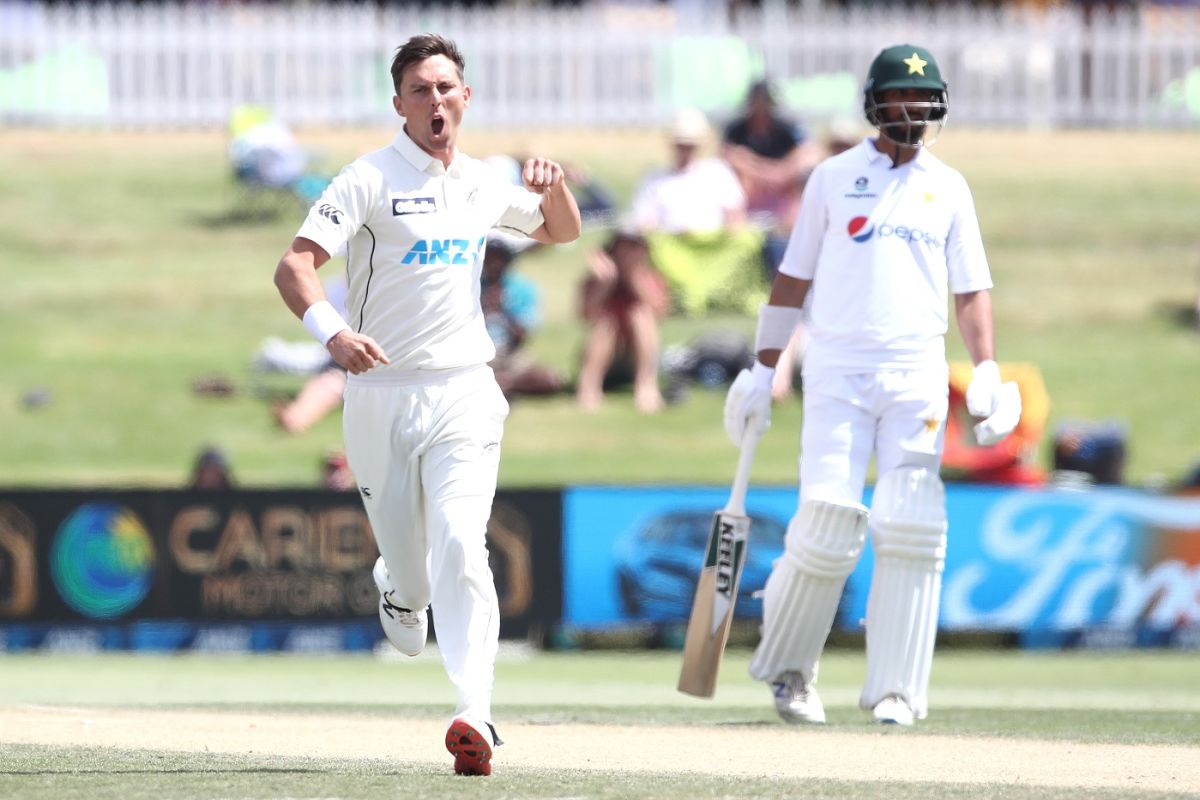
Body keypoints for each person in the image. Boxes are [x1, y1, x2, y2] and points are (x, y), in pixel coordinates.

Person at [272, 33, 580, 776]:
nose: (435, 101)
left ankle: (475, 713)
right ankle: (399, 590)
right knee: (413, 581)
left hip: (465, 389)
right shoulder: (367, 179)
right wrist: (334, 334)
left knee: (462, 540)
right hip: (380, 392)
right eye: (420, 90)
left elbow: (562, 230)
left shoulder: (480, 182)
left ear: (464, 98)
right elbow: (294, 267)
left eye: (445, 88)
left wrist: (554, 185)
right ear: (400, 104)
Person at [723, 44, 1022, 728]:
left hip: (916, 374)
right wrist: (764, 369)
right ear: (875, 104)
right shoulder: (832, 178)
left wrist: (986, 368)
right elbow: (792, 279)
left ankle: (897, 689)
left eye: (923, 101)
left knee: (911, 525)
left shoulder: (949, 186)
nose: (912, 111)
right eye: (900, 99)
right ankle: (792, 672)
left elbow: (972, 289)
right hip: (837, 373)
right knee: (826, 520)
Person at [630, 108, 765, 317]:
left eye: (689, 145)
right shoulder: (655, 179)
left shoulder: (717, 172)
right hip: (673, 248)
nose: (685, 150)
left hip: (715, 246)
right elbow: (643, 222)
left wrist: (727, 232)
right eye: (681, 144)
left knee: (747, 240)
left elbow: (734, 215)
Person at [576, 227, 671, 414]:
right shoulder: (596, 280)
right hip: (605, 354)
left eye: (634, 248)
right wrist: (605, 283)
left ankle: (646, 387)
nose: (628, 253)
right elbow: (587, 315)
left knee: (640, 315)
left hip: (635, 356)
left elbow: (658, 313)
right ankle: (588, 388)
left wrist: (634, 278)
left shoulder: (650, 277)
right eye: (624, 247)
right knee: (607, 321)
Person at [480, 234, 566, 399]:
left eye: (499, 258)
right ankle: (499, 382)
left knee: (551, 380)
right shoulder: (473, 287)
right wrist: (484, 307)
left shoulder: (522, 288)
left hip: (512, 355)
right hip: (481, 354)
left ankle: (505, 383)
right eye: (490, 258)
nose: (494, 264)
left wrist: (502, 309)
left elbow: (523, 335)